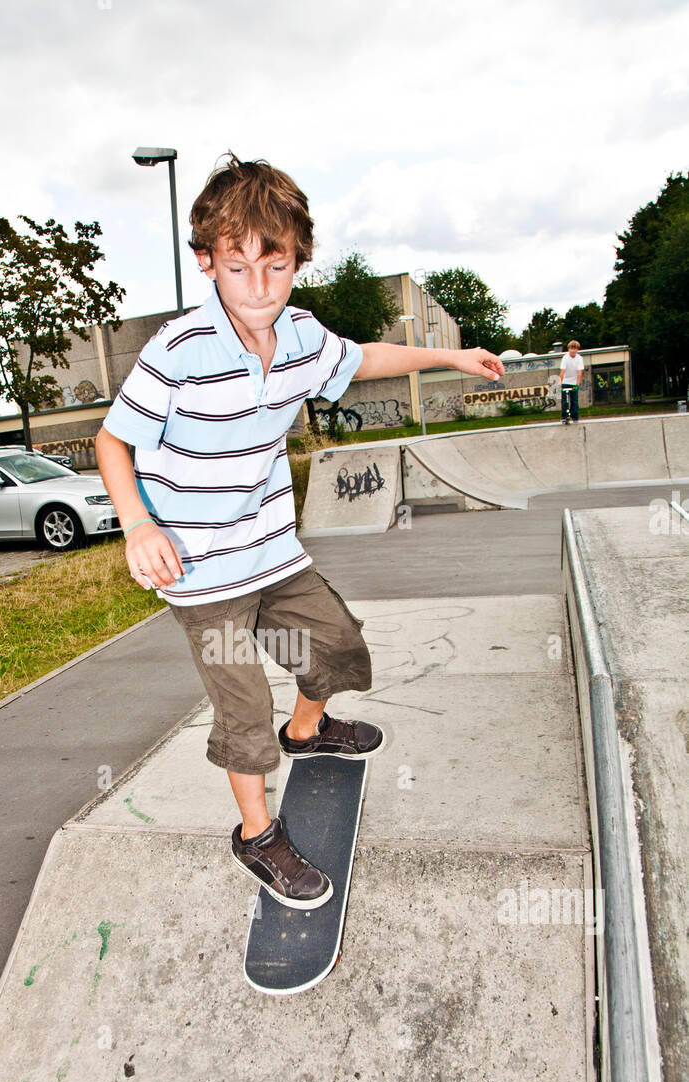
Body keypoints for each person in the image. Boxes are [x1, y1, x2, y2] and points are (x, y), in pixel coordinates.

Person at [95, 154, 504, 909]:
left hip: (273, 556)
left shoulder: (305, 338)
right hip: (202, 575)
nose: (256, 286)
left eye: (274, 265)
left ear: (296, 262)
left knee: (338, 646)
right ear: (207, 263)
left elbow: (368, 357)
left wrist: (448, 351)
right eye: (237, 265)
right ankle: (256, 836)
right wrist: (137, 524)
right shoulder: (179, 352)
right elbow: (111, 441)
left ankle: (308, 730)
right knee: (242, 708)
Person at [559, 340, 584, 423]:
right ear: (569, 349)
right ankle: (564, 417)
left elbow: (580, 372)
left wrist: (577, 383)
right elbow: (562, 371)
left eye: (575, 349)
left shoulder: (579, 358)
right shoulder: (565, 357)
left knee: (574, 400)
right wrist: (561, 383)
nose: (573, 351)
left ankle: (575, 417)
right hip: (565, 381)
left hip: (574, 381)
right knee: (564, 400)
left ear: (577, 350)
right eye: (571, 349)